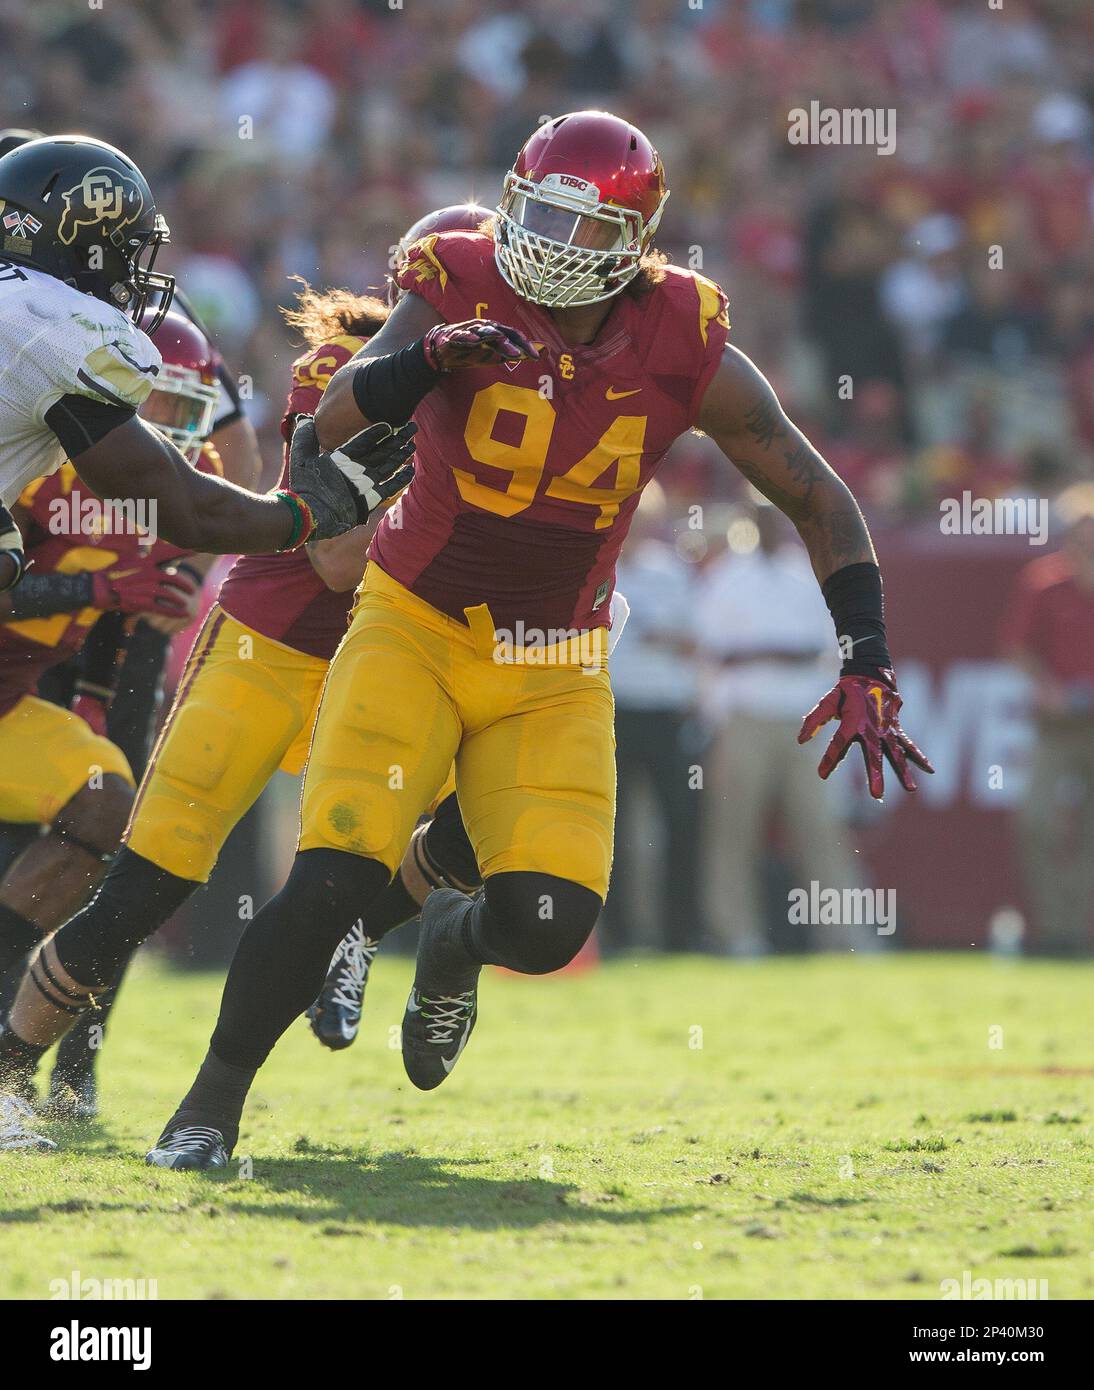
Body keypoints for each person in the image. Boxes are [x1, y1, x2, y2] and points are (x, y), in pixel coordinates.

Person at [17, 109, 928, 1170]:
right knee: (319, 875)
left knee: (546, 922)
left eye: (578, 225)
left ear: (634, 241)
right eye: (534, 211)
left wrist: (863, 650)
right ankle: (207, 1108)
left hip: (553, 661)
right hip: (407, 626)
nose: (544, 240)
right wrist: (425, 359)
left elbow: (814, 494)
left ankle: (447, 937)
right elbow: (328, 428)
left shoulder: (683, 334)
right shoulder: (457, 286)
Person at [0, 211, 490, 1148]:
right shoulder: (346, 371)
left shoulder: (541, 397)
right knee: (147, 884)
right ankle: (14, 1071)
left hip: (390, 657)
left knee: (489, 818)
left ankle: (384, 935)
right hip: (273, 650)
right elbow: (341, 562)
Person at [0, 133, 415, 578]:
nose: (137, 273)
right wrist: (304, 513)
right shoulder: (58, 326)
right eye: (128, 251)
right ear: (82, 246)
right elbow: (187, 510)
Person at [693, 499, 860, 954]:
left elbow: (828, 651)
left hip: (803, 719)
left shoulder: (805, 576)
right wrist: (718, 715)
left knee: (821, 828)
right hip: (745, 716)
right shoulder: (727, 578)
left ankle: (843, 935)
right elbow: (710, 654)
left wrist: (768, 657)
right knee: (733, 830)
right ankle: (736, 934)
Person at [599, 480, 703, 952]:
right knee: (611, 828)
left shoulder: (673, 571)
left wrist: (665, 637)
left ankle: (679, 933)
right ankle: (618, 934)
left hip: (664, 711)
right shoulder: (601, 568)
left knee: (681, 822)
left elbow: (696, 642)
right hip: (615, 711)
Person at [1003, 482, 1094, 955]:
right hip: (1057, 727)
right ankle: (1056, 925)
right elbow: (1018, 649)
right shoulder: (1045, 581)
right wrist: (1048, 689)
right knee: (1036, 821)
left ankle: (1080, 928)